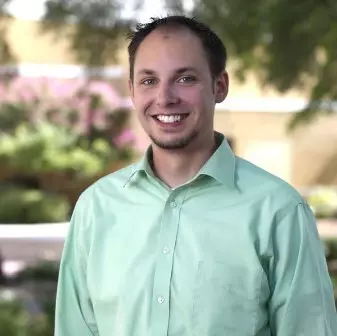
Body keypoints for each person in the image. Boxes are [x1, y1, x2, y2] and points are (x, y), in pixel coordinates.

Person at [54, 15, 337, 336]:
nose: (164, 97)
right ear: (132, 91)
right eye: (149, 80)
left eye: (185, 78)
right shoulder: (96, 207)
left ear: (220, 86)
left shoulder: (279, 210)